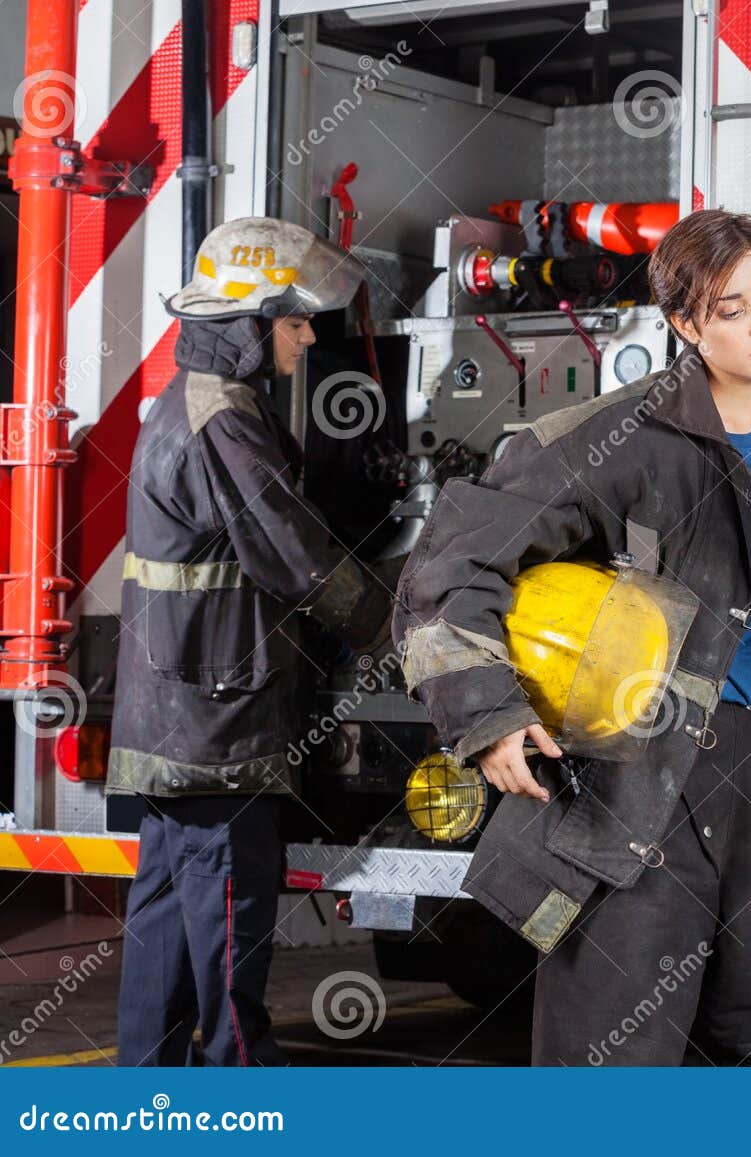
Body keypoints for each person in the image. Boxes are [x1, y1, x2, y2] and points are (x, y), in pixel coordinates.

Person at [394, 209, 751, 1066]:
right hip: (640, 788)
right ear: (686, 325)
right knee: (612, 1057)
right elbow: (447, 570)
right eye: (732, 308)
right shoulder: (617, 439)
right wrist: (488, 714)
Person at [110, 218, 390, 1065]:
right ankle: (242, 1099)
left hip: (181, 721)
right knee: (231, 935)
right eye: (294, 320)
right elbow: (296, 557)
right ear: (248, 321)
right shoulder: (222, 417)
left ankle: (147, 1099)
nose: (306, 337)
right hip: (218, 727)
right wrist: (398, 631)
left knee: (167, 926)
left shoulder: (193, 401)